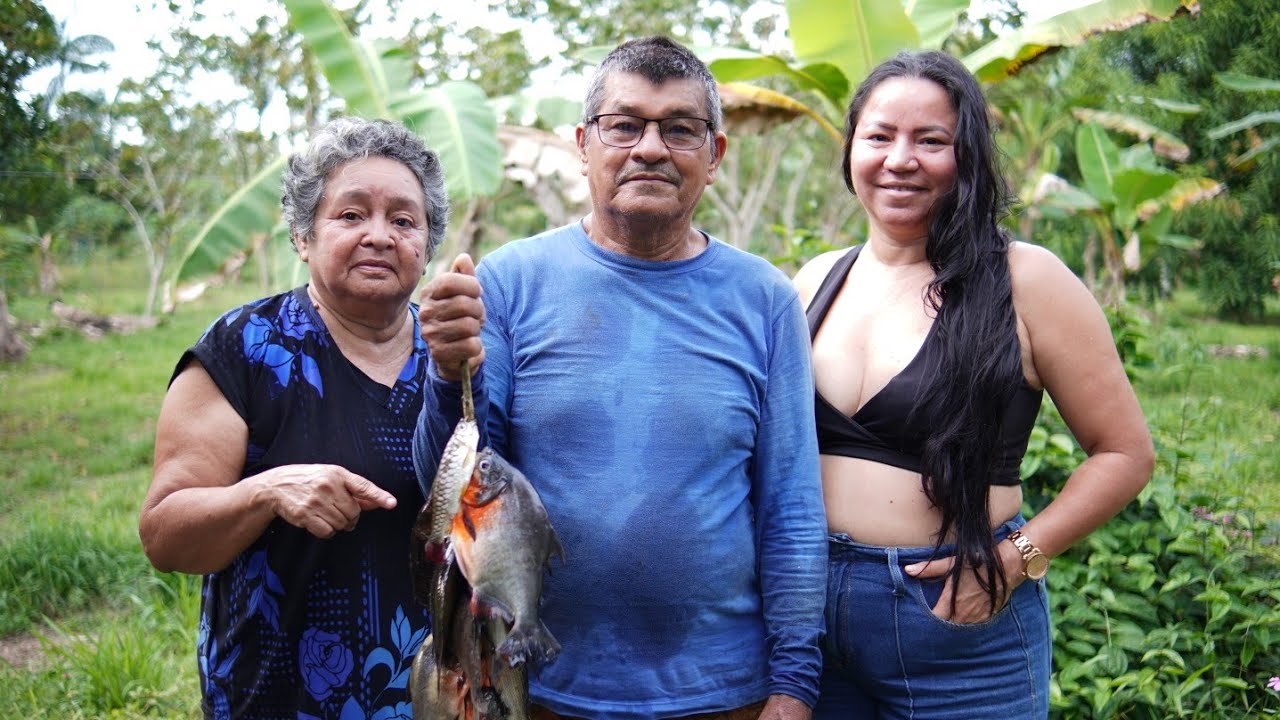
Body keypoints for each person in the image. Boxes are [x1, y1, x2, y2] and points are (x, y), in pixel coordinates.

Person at [414, 36, 827, 720]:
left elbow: (790, 512)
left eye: (680, 129)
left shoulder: (765, 300)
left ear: (715, 155)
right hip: (537, 689)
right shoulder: (511, 283)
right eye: (625, 125)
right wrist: (443, 372)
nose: (651, 148)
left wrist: (793, 687)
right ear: (584, 144)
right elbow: (451, 490)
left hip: (722, 692)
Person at [792, 50, 1156, 719]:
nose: (900, 159)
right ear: (851, 151)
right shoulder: (816, 279)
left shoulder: (1027, 279)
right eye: (879, 136)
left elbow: (1125, 454)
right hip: (815, 622)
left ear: (968, 155)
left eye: (930, 140)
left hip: (956, 630)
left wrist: (1017, 558)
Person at [139, 117, 449, 720]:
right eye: (351, 215)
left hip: (431, 699)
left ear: (427, 244)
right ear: (304, 236)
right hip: (278, 698)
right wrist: (267, 491)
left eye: (404, 220)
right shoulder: (247, 350)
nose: (380, 236)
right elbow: (165, 535)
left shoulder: (452, 358)